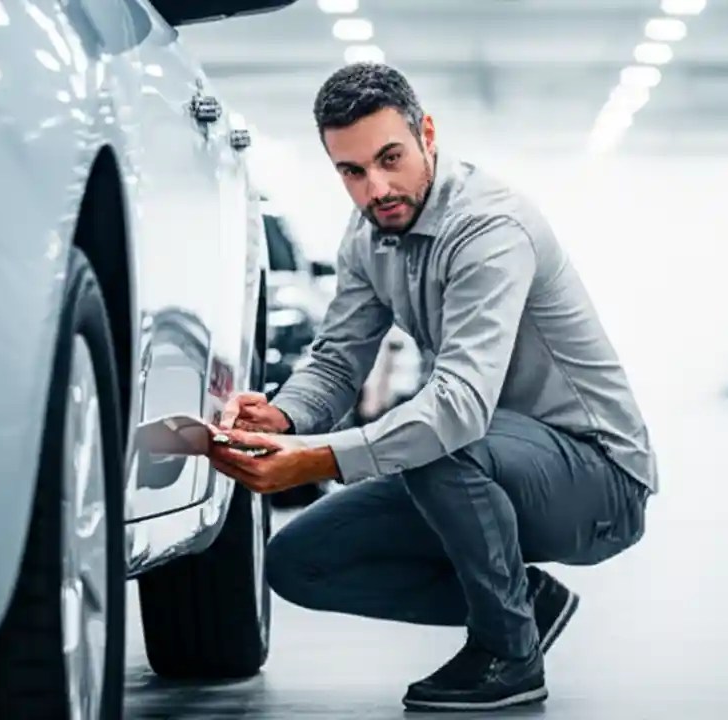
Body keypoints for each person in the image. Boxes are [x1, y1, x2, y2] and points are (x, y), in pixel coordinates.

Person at [208, 62, 658, 712]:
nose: (377, 187)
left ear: (427, 133)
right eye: (352, 172)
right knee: (299, 561)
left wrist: (322, 459)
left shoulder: (490, 230)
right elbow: (338, 360)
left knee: (439, 438)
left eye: (390, 158)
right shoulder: (369, 235)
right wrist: (282, 419)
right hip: (484, 464)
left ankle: (509, 653)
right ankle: (523, 606)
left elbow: (459, 408)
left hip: (597, 479)